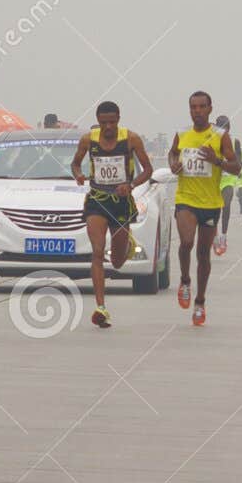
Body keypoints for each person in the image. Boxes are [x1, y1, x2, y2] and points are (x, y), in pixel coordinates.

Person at [71, 100, 153, 329]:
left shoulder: (131, 139)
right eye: (103, 123)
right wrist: (78, 175)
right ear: (98, 121)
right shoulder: (88, 140)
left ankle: (127, 246)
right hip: (97, 200)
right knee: (97, 251)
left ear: (118, 119)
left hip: (121, 203)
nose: (108, 127)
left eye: (112, 122)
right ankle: (101, 307)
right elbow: (75, 164)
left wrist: (131, 184)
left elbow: (148, 169)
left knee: (116, 262)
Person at [168, 90, 240, 326]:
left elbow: (236, 167)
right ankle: (185, 280)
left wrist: (216, 161)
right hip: (185, 199)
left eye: (201, 107)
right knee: (186, 242)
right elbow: (172, 154)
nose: (197, 111)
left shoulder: (221, 136)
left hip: (210, 204)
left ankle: (200, 301)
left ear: (210, 109)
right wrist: (174, 165)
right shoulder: (182, 134)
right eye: (193, 107)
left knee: (203, 254)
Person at [214, 114, 239, 253]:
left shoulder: (234, 142)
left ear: (229, 128)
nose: (224, 131)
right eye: (221, 128)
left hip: (228, 179)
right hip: (214, 180)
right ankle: (215, 237)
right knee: (213, 210)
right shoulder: (211, 140)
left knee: (226, 205)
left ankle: (223, 236)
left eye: (226, 128)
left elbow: (239, 160)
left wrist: (237, 166)